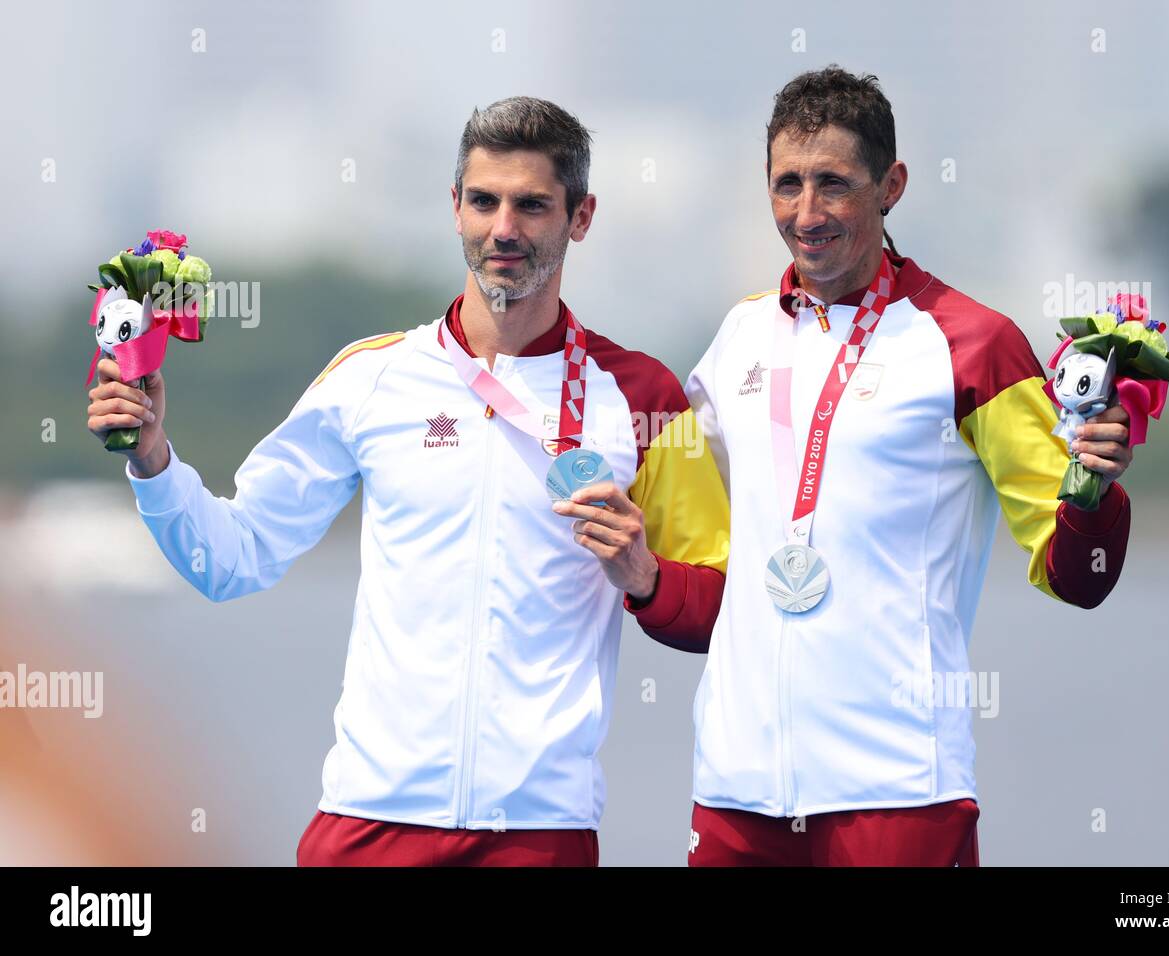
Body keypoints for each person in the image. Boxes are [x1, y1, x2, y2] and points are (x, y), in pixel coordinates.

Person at [86, 96, 728, 867]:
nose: (505, 229)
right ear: (453, 207)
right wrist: (153, 460)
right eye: (484, 201)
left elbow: (724, 605)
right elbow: (235, 557)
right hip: (366, 826)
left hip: (538, 834)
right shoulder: (372, 378)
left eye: (533, 205)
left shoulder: (645, 397)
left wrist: (645, 577)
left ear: (580, 217)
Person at [681, 66, 1134, 866]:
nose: (807, 213)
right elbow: (700, 538)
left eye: (834, 185)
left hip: (899, 791)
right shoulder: (737, 340)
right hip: (736, 791)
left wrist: (1094, 486)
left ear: (891, 185)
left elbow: (1077, 574)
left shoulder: (973, 345)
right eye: (788, 184)